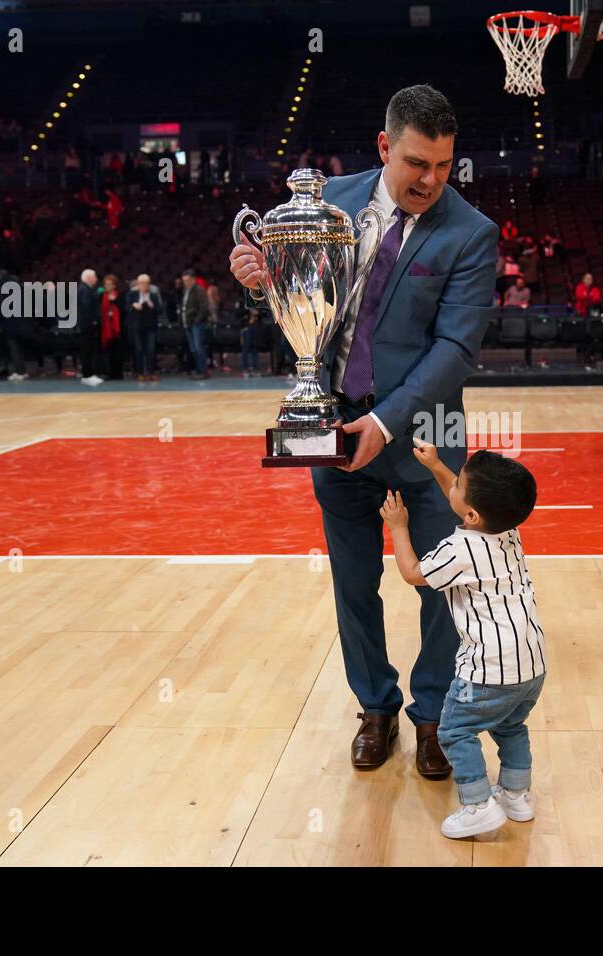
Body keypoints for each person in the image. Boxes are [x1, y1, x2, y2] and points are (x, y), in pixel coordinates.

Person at [229, 84, 498, 778]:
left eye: (443, 165)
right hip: (332, 421)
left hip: (425, 434)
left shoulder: (471, 233)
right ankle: (375, 708)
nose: (432, 180)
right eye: (416, 163)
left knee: (445, 587)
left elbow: (456, 351)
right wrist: (265, 285)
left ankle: (433, 716)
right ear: (385, 148)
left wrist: (383, 423)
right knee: (354, 582)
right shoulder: (326, 206)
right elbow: (302, 317)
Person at [381, 441, 544, 839]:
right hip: (531, 665)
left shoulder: (461, 548)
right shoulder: (508, 532)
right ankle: (516, 796)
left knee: (454, 731)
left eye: (458, 486)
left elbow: (414, 573)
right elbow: (463, 497)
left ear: (470, 514)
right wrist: (437, 465)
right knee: (510, 726)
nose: (451, 487)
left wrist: (399, 528)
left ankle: (478, 804)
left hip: (486, 670)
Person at [126, 274, 161, 381]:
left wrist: (153, 306)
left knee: (151, 349)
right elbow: (126, 307)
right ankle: (140, 372)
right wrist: (133, 306)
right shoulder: (132, 294)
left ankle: (151, 372)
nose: (144, 285)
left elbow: (160, 310)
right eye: (142, 283)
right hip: (137, 326)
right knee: (139, 349)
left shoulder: (153, 295)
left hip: (150, 327)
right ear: (138, 284)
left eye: (147, 283)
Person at [179, 269, 211, 379]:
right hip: (188, 323)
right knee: (193, 349)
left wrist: (197, 320)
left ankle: (203, 371)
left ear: (193, 279)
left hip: (196, 324)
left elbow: (204, 308)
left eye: (187, 280)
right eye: (184, 280)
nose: (185, 282)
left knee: (199, 348)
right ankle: (198, 370)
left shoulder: (199, 290)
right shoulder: (186, 290)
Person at [76, 269, 103, 386]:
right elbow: (87, 308)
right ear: (88, 278)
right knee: (87, 350)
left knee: (88, 350)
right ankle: (87, 375)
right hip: (87, 325)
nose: (96, 279)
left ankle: (88, 374)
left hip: (85, 324)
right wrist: (94, 321)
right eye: (94, 277)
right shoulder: (85, 290)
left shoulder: (84, 289)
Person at [100, 274, 125, 380]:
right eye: (106, 284)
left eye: (110, 284)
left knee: (118, 352)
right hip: (106, 328)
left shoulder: (120, 296)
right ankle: (108, 372)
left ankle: (118, 373)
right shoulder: (102, 296)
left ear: (114, 285)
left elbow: (123, 310)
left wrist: (114, 301)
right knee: (107, 352)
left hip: (118, 328)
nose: (108, 286)